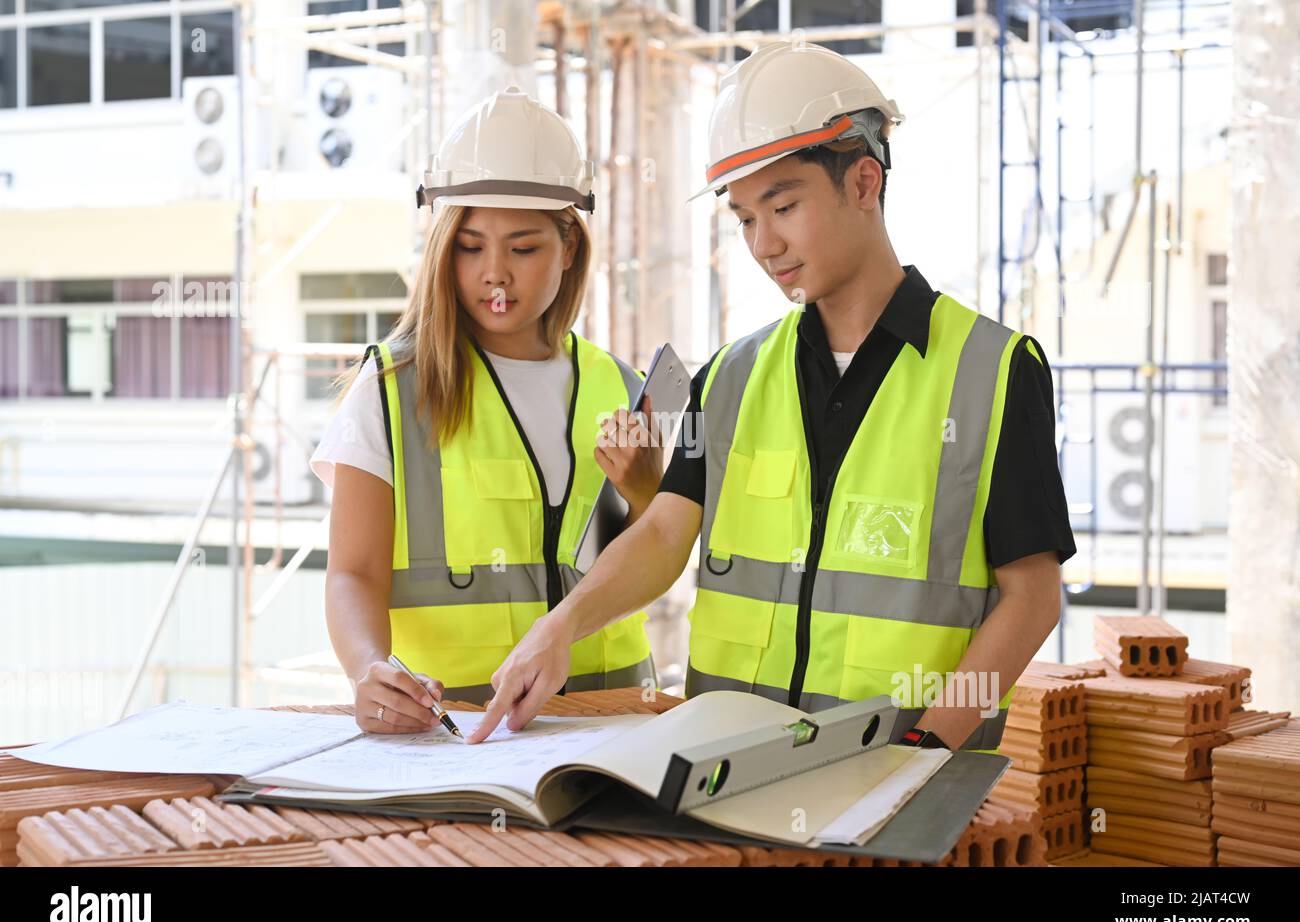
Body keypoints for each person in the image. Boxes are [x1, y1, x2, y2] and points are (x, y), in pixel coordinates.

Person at [466, 42, 1077, 749]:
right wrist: (560, 626)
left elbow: (1031, 597)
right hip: (724, 774)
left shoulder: (994, 371)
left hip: (901, 783)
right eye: (746, 219)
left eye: (783, 206)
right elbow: (665, 532)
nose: (764, 243)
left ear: (864, 182)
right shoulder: (728, 377)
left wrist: (930, 748)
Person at [310, 87, 664, 735]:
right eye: (471, 246)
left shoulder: (620, 383)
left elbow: (648, 556)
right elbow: (352, 574)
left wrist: (645, 492)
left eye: (523, 248)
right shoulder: (392, 389)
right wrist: (368, 670)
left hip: (615, 733)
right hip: (457, 739)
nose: (495, 273)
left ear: (569, 250)